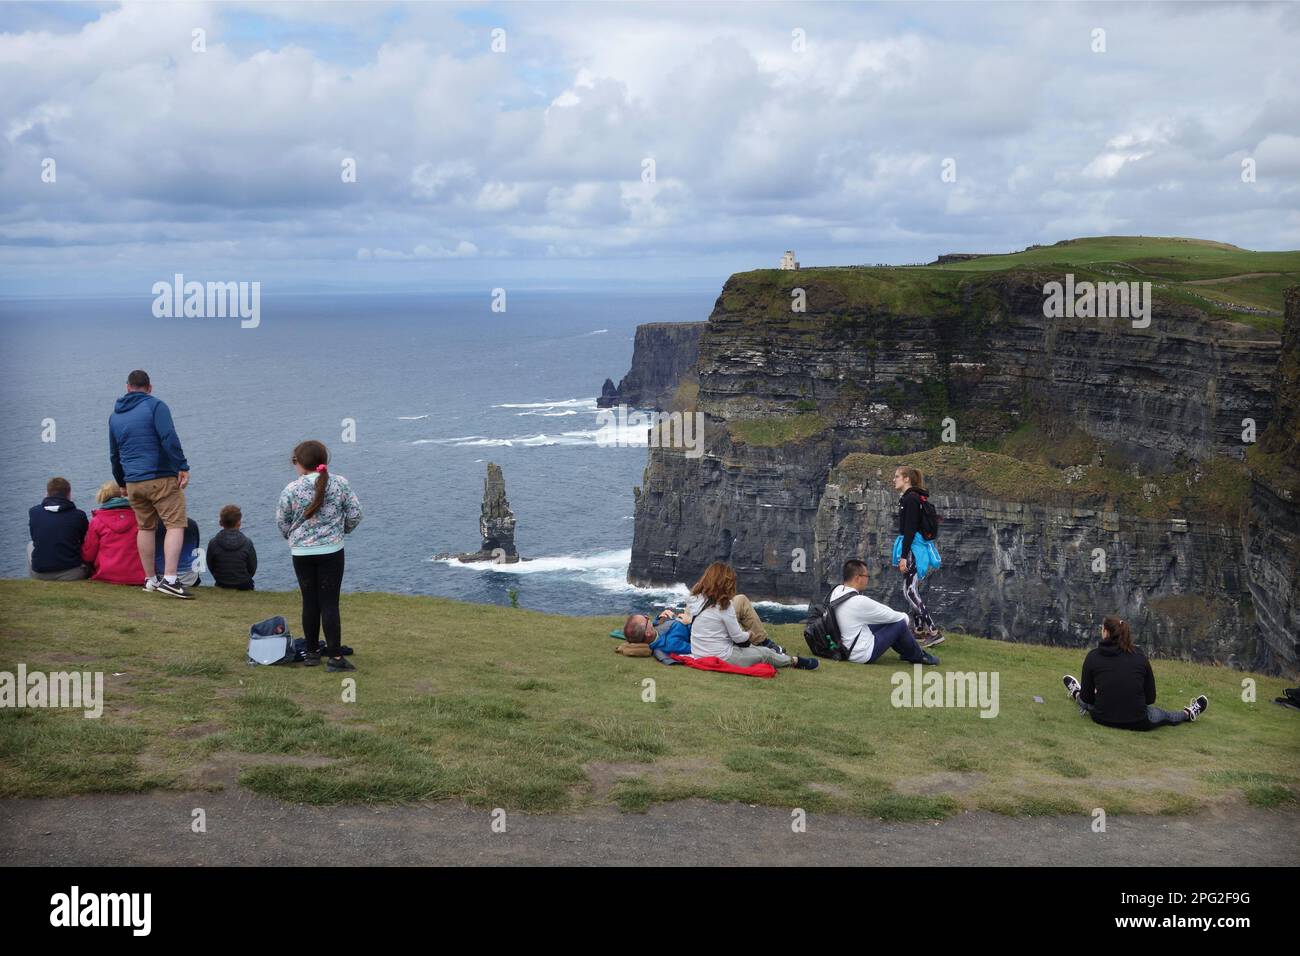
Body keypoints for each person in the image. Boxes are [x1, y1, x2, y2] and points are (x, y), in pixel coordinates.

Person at [277, 440, 363, 671]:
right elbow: (356, 513)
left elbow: (282, 521)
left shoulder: (291, 489)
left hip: (301, 552)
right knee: (329, 602)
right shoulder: (340, 484)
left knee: (309, 600)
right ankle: (335, 658)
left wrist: (293, 538)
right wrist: (340, 531)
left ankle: (312, 653)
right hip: (331, 550)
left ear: (299, 463)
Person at [108, 369, 193, 598]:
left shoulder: (114, 416)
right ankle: (171, 579)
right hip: (160, 477)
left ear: (127, 387)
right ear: (150, 387)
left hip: (133, 482)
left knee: (145, 527)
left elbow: (114, 455)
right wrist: (182, 466)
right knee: (175, 524)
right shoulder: (156, 406)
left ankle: (150, 580)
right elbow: (168, 437)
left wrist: (122, 482)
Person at [1063, 616, 1209, 730]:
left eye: (1102, 629)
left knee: (1085, 701)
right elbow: (1150, 698)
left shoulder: (1093, 656)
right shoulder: (1139, 656)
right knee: (1164, 715)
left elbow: (1088, 698)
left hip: (1102, 717)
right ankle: (1188, 713)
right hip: (1138, 721)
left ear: (1106, 633)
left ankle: (1076, 692)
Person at [683, 562, 818, 670]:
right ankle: (794, 661)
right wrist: (749, 634)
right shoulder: (724, 607)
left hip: (698, 652)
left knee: (756, 650)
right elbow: (737, 637)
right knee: (764, 654)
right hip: (722, 656)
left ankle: (773, 650)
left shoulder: (696, 599)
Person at [831, 559, 940, 665]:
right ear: (857, 578)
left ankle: (907, 652)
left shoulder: (837, 592)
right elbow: (896, 617)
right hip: (861, 653)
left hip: (845, 646)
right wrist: (905, 619)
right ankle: (919, 656)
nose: (868, 579)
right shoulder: (859, 601)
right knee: (900, 623)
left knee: (889, 622)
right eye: (866, 576)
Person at [893, 465, 943, 647]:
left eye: (897, 476)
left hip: (913, 549)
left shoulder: (911, 499)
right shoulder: (911, 498)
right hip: (914, 548)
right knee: (910, 588)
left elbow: (910, 530)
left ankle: (933, 630)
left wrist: (904, 556)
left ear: (907, 479)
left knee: (909, 590)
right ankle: (919, 630)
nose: (894, 479)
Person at [81, 480, 144, 585]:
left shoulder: (97, 521)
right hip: (136, 575)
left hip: (105, 573)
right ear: (123, 494)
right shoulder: (138, 518)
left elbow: (88, 554)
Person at [28, 477, 89, 581]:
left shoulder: (34, 512)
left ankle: (36, 579)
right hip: (72, 573)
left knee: (30, 545)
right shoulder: (79, 515)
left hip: (40, 573)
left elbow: (35, 538)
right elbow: (86, 541)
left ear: (47, 493)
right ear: (69, 493)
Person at [206, 504, 257, 590]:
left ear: (221, 523)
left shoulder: (213, 543)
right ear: (239, 523)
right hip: (244, 584)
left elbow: (211, 565)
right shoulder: (247, 543)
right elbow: (252, 568)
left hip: (221, 583)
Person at [154, 518, 201, 587]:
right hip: (189, 578)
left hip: (158, 578)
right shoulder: (191, 523)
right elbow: (196, 549)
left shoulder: (154, 525)